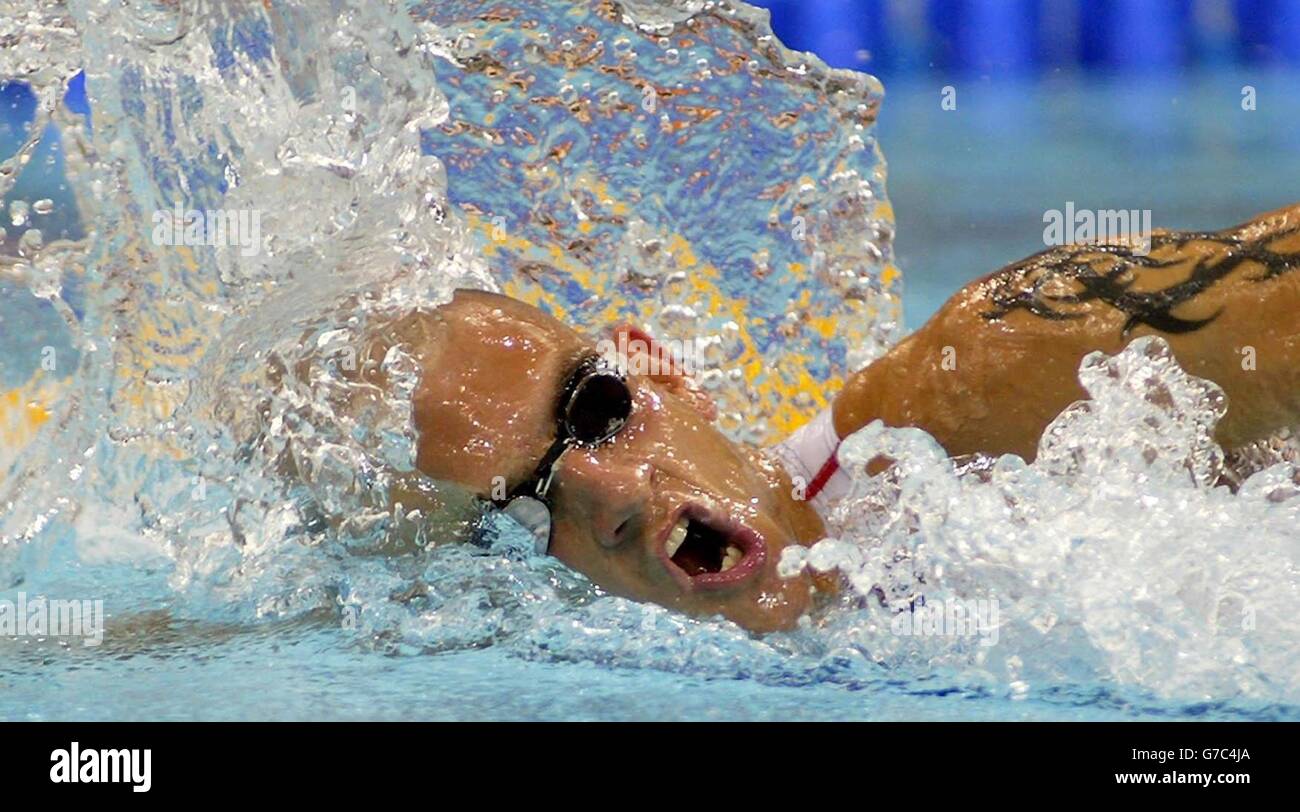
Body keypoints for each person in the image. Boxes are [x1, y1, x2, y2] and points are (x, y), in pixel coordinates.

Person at [394, 203, 1300, 632]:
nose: (616, 495)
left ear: (665, 377)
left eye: (597, 413)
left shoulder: (993, 383)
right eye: (520, 514)